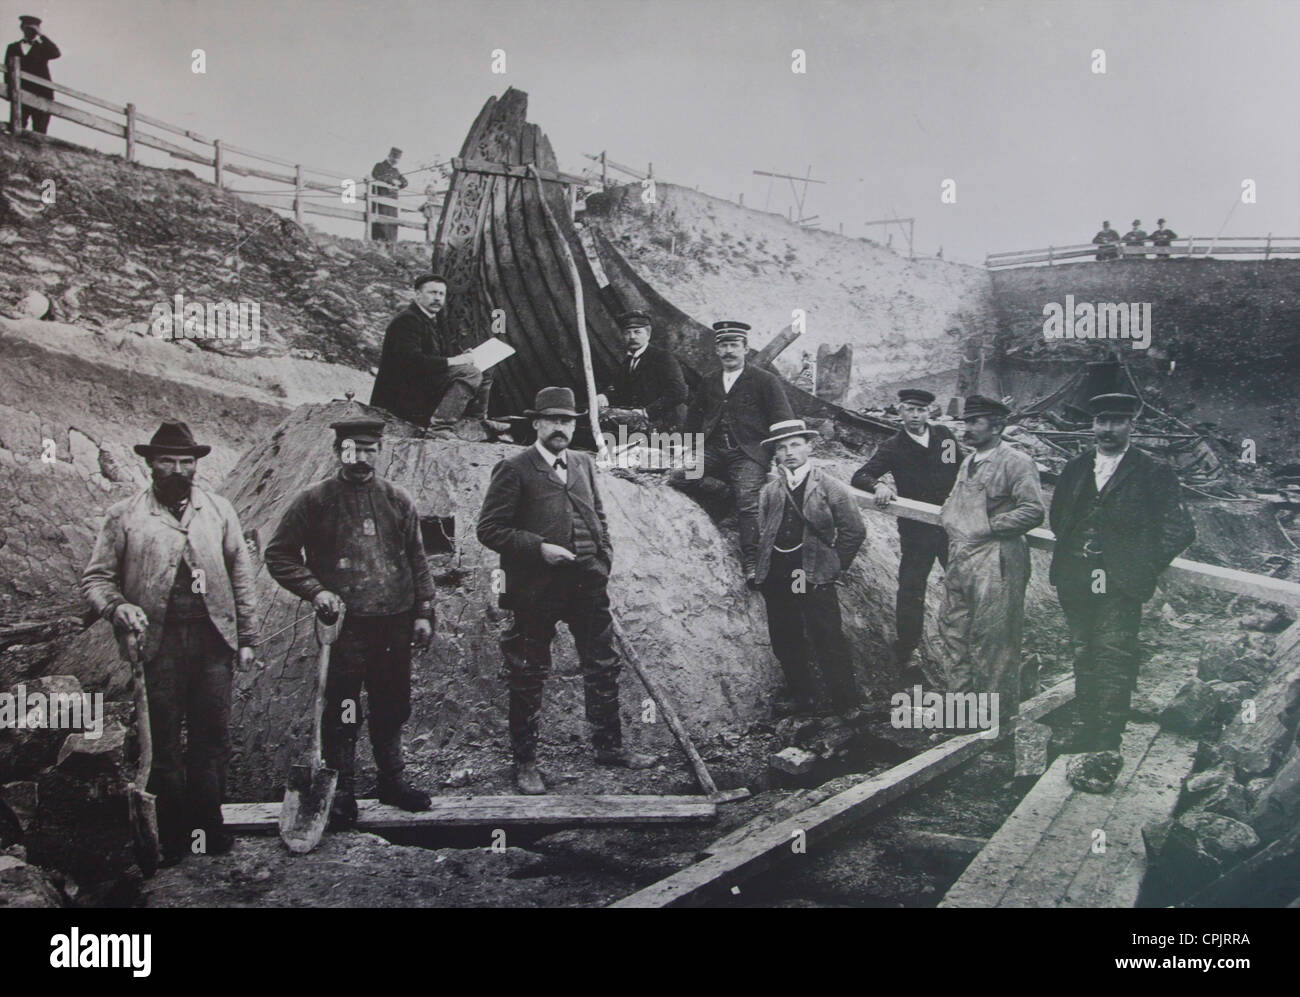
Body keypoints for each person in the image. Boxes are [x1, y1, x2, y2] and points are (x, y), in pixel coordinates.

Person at [81, 421, 258, 865]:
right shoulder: (124, 516)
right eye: (168, 461)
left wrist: (247, 637)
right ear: (150, 464)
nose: (178, 469)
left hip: (213, 641)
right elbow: (96, 579)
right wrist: (117, 607)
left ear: (196, 465)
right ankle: (174, 833)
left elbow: (241, 575)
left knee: (212, 737)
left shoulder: (218, 510)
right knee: (161, 742)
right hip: (155, 645)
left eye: (186, 461)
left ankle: (206, 827)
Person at [477, 387, 656, 795]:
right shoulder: (514, 468)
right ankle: (525, 764)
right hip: (535, 588)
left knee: (603, 664)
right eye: (553, 420)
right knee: (528, 672)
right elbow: (489, 530)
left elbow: (599, 514)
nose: (561, 428)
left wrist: (603, 557)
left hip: (587, 583)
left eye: (568, 421)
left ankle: (608, 747)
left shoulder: (583, 462)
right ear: (536, 423)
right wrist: (538, 548)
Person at [264, 413, 435, 827]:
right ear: (338, 451)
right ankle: (342, 790)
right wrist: (317, 590)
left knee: (391, 705)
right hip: (344, 628)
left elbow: (417, 559)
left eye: (369, 449)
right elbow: (279, 555)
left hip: (393, 623)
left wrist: (424, 612)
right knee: (343, 707)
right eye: (352, 449)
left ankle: (392, 781)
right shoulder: (314, 500)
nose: (361, 457)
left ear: (380, 451)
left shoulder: (398, 500)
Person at [1049, 394, 1195, 792]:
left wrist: (1139, 564)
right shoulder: (1076, 466)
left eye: (1117, 421)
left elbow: (1179, 529)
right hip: (1078, 576)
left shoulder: (1152, 471)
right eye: (1101, 420)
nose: (1107, 430)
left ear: (1133, 424)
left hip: (1120, 581)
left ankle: (1106, 742)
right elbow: (1059, 516)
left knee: (1113, 654)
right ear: (1092, 424)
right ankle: (1084, 728)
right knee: (1083, 652)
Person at [936, 395, 1046, 720]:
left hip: (997, 560)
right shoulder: (967, 462)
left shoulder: (1016, 462)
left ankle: (995, 721)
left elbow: (1033, 510)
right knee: (953, 633)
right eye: (966, 422)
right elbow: (955, 502)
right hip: (961, 558)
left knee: (994, 640)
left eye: (975, 422)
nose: (966, 428)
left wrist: (987, 525)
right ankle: (961, 714)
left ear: (997, 426)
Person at [670, 320, 795, 587]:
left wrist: (782, 456)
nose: (728, 351)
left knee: (748, 503)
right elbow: (694, 415)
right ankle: (722, 493)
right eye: (723, 345)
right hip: (713, 450)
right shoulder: (710, 381)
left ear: (746, 349)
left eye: (734, 345)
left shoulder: (766, 381)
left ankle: (752, 561)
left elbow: (782, 419)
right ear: (717, 350)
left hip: (749, 454)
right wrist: (687, 445)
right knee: (680, 475)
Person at [755, 420, 865, 716]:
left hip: (810, 571)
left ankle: (845, 703)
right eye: (781, 447)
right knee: (785, 635)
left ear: (809, 446)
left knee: (826, 635)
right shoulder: (770, 490)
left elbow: (853, 531)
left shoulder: (830, 487)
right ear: (775, 453)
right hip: (779, 570)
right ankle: (804, 696)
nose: (789, 452)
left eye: (795, 445)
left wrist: (834, 566)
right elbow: (764, 528)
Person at [851, 388, 961, 677]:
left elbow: (962, 470)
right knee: (912, 588)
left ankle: (970, 641)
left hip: (952, 526)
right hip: (917, 529)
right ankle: (908, 649)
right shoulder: (893, 447)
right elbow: (861, 475)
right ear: (900, 411)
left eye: (921, 410)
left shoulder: (944, 438)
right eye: (910, 409)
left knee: (963, 582)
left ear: (930, 412)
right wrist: (879, 486)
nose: (915, 415)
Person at [369, 273, 508, 440]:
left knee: (483, 368)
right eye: (432, 293)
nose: (437, 298)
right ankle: (440, 426)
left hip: (422, 384)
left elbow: (434, 358)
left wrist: (461, 358)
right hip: (402, 394)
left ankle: (477, 421)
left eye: (441, 294)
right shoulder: (406, 321)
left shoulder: (429, 320)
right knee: (470, 373)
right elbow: (410, 361)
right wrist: (454, 361)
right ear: (417, 294)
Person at [596, 310, 688, 432]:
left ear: (648, 335)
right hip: (642, 423)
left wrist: (646, 412)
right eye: (627, 333)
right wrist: (604, 395)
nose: (632, 337)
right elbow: (619, 387)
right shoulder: (628, 361)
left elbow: (679, 392)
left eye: (637, 332)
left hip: (667, 424)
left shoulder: (663, 358)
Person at [4, 15, 60, 134]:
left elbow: (56, 53)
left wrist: (42, 35)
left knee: (40, 131)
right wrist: (10, 91)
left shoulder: (43, 48)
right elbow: (7, 71)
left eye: (33, 30)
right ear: (22, 29)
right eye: (27, 29)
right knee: (18, 126)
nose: (30, 32)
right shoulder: (12, 47)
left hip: (42, 94)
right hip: (20, 92)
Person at [370, 147, 408, 242]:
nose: (396, 160)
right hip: (381, 198)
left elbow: (405, 182)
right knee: (381, 221)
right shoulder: (379, 166)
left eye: (398, 158)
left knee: (392, 221)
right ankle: (379, 241)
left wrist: (400, 183)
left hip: (393, 201)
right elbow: (376, 175)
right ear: (389, 156)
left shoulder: (396, 171)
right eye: (394, 157)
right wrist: (391, 181)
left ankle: (391, 242)